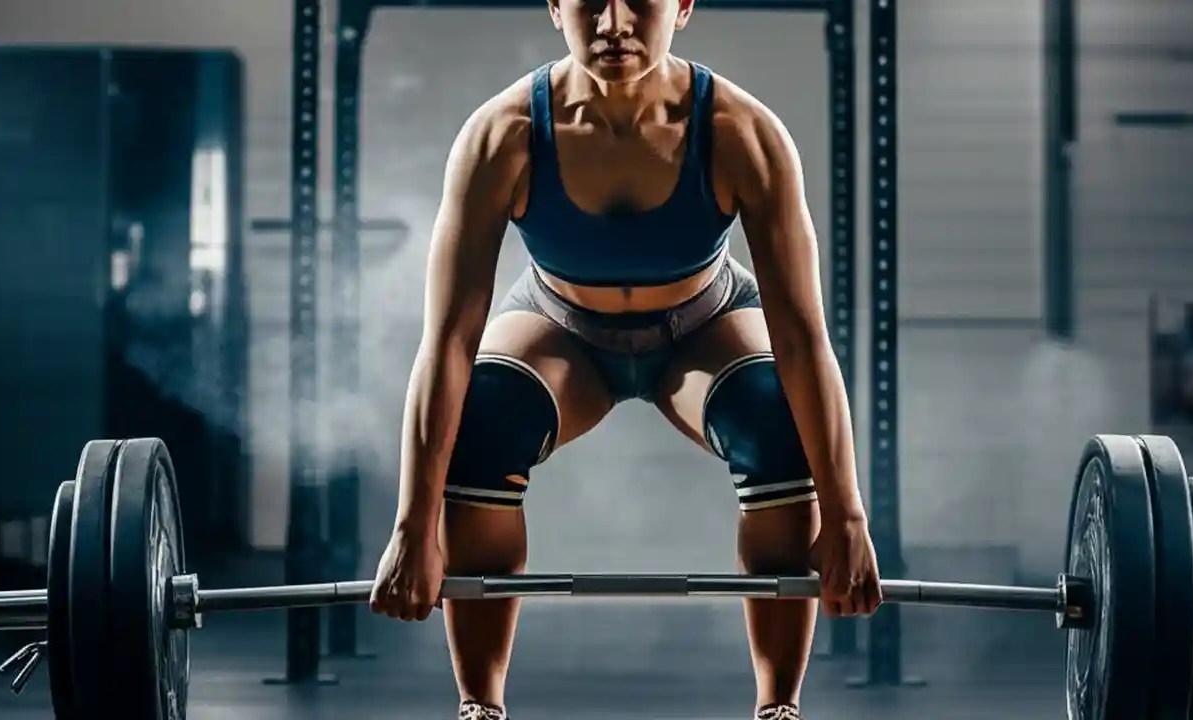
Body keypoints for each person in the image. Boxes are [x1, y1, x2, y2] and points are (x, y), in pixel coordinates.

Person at [369, 2, 882, 718]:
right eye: (590, 1)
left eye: (641, 1)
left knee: (776, 420)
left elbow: (801, 338)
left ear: (683, 6)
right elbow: (450, 340)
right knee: (481, 421)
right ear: (555, 6)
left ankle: (778, 709)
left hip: (702, 328)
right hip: (562, 329)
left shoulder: (741, 133)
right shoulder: (502, 136)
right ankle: (479, 707)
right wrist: (413, 528)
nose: (615, 23)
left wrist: (849, 519)